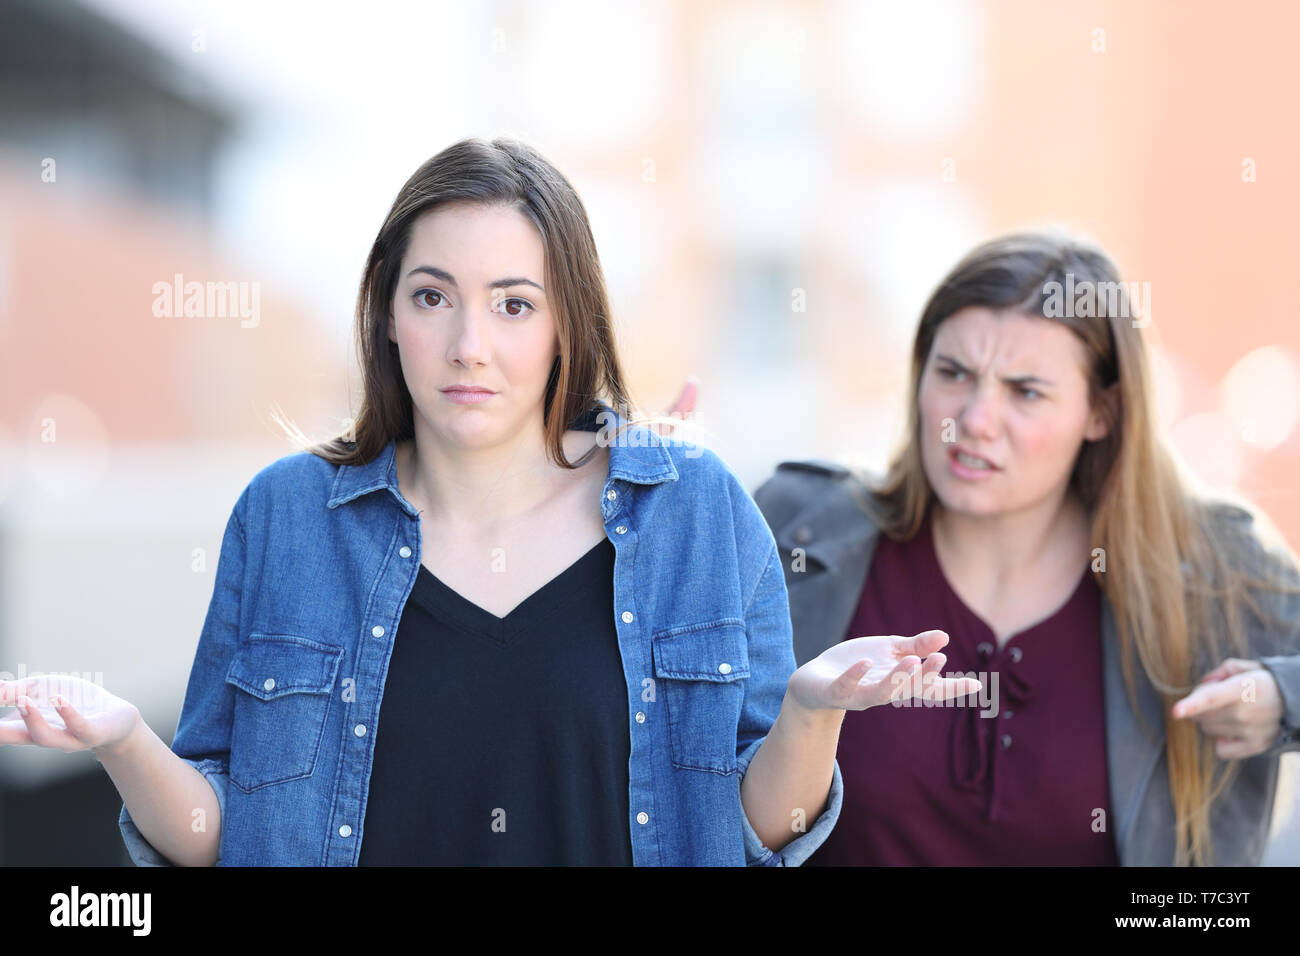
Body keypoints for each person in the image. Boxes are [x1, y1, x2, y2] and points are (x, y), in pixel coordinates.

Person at [0, 137, 978, 866]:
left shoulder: (698, 513)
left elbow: (754, 833)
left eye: (513, 303)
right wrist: (123, 735)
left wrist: (810, 712)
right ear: (387, 308)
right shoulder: (286, 518)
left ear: (566, 322)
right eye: (433, 296)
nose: (470, 343)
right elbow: (220, 833)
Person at [677, 230, 1300, 865]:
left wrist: (1283, 698)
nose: (974, 418)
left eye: (1025, 391)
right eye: (953, 373)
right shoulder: (799, 526)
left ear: (1102, 413)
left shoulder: (1218, 569)